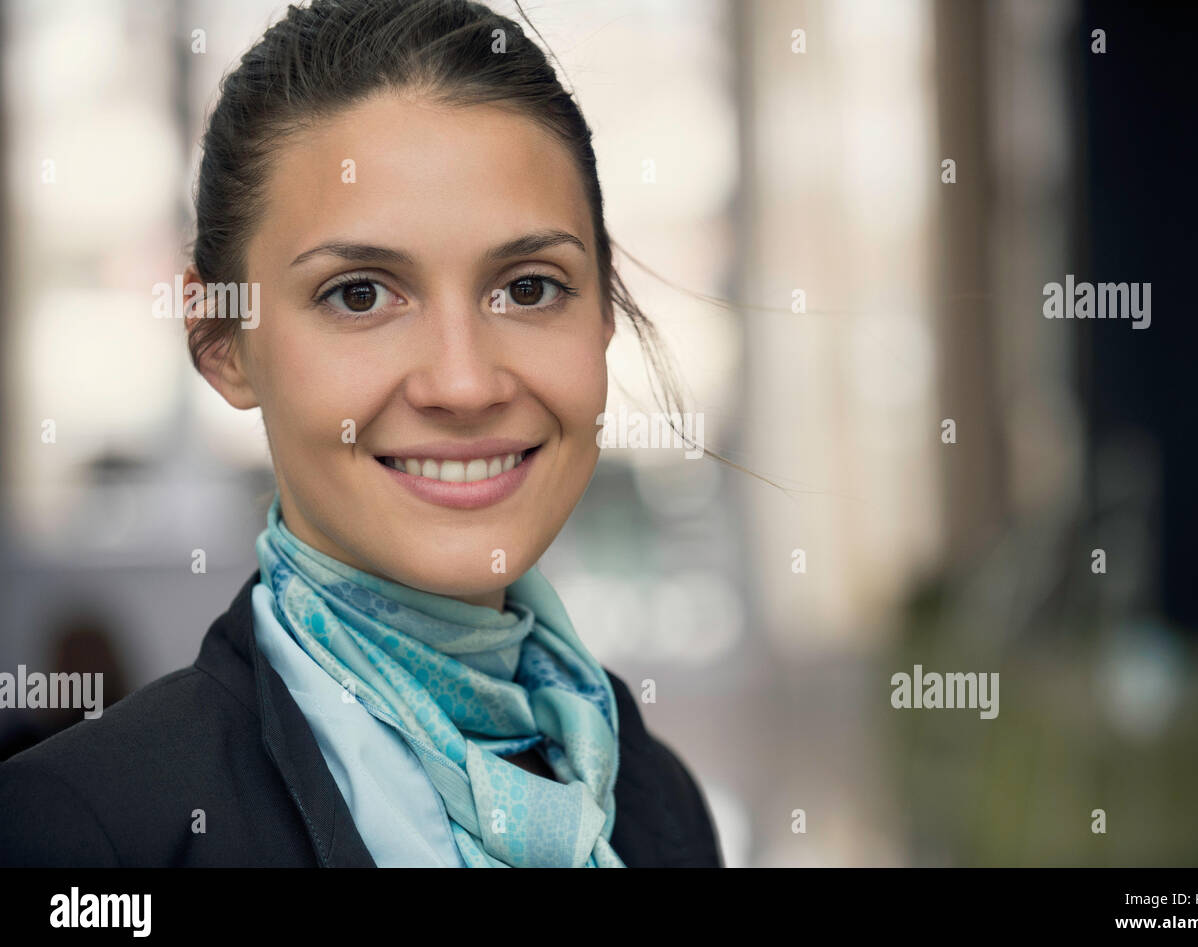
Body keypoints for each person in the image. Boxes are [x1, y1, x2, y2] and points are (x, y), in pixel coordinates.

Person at [0, 0, 722, 868]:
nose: (463, 383)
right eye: (360, 294)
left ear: (603, 313)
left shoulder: (657, 807)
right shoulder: (88, 830)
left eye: (529, 288)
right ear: (221, 341)